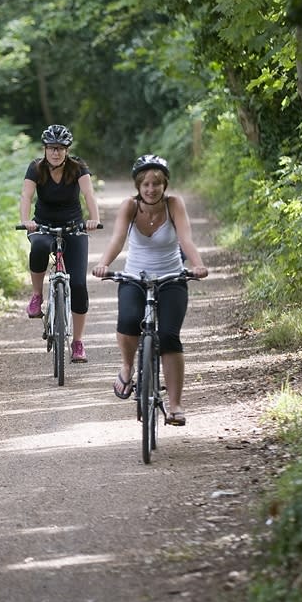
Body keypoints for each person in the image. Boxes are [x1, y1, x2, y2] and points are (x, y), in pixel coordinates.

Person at [91, 154, 208, 426]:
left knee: (168, 336)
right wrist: (103, 264)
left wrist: (198, 265)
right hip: (134, 276)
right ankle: (127, 367)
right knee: (129, 321)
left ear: (165, 185)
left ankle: (176, 405)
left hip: (171, 277)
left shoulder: (174, 205)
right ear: (138, 186)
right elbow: (118, 239)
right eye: (145, 184)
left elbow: (185, 239)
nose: (151, 188)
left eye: (156, 183)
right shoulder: (130, 207)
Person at [19, 124, 101, 363]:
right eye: (52, 148)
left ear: (67, 150)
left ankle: (77, 342)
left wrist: (93, 219)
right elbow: (26, 196)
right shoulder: (36, 168)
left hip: (74, 226)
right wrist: (26, 221)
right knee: (40, 247)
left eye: (61, 148)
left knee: (78, 285)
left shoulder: (78, 167)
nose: (56, 153)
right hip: (42, 225)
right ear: (45, 149)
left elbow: (89, 194)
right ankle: (36, 296)